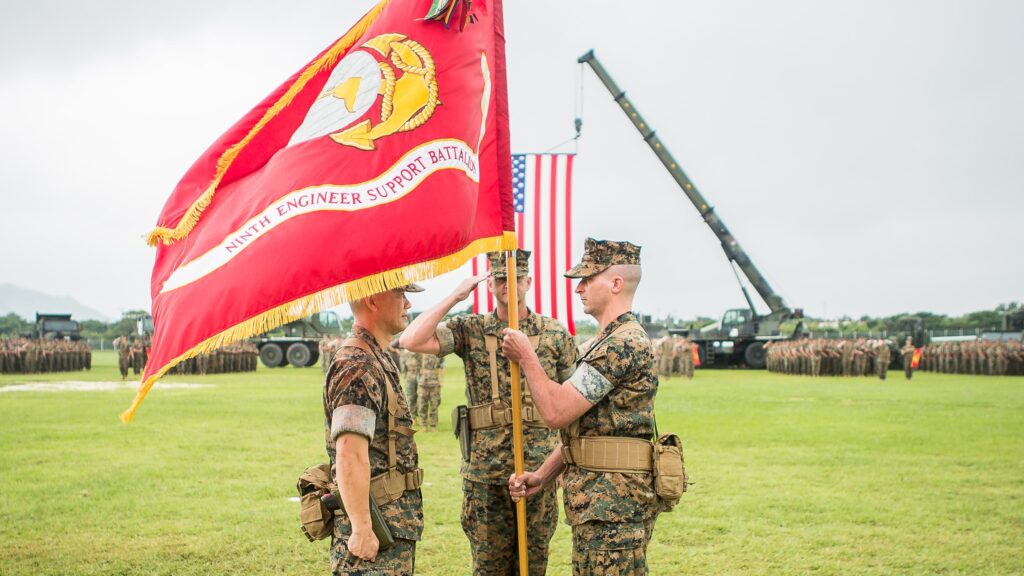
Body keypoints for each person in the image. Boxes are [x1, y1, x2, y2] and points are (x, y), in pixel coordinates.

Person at [400, 250, 576, 576]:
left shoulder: (554, 333)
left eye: (514, 278)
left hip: (538, 473)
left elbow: (573, 403)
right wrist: (455, 295)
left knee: (533, 567)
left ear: (528, 281)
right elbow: (412, 339)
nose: (507, 284)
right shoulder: (473, 329)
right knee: (488, 568)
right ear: (490, 284)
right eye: (499, 278)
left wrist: (561, 463)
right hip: (485, 475)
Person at [503, 238, 664, 576]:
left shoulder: (623, 344)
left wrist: (527, 356)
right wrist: (543, 476)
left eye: (589, 279)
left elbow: (556, 412)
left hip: (614, 507)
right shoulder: (603, 342)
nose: (579, 288)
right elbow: (588, 429)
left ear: (616, 283)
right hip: (599, 504)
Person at [323, 283, 426, 575]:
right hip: (374, 530)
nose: (407, 304)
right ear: (372, 300)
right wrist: (362, 528)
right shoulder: (357, 365)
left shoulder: (374, 357)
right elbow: (349, 454)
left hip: (389, 523)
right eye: (400, 295)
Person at [417, 353, 444, 431]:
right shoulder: (419, 354)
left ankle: (433, 426)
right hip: (422, 384)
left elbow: (442, 367)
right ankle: (424, 425)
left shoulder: (438, 354)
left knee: (434, 405)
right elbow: (416, 368)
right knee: (422, 405)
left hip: (434, 383)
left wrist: (442, 381)